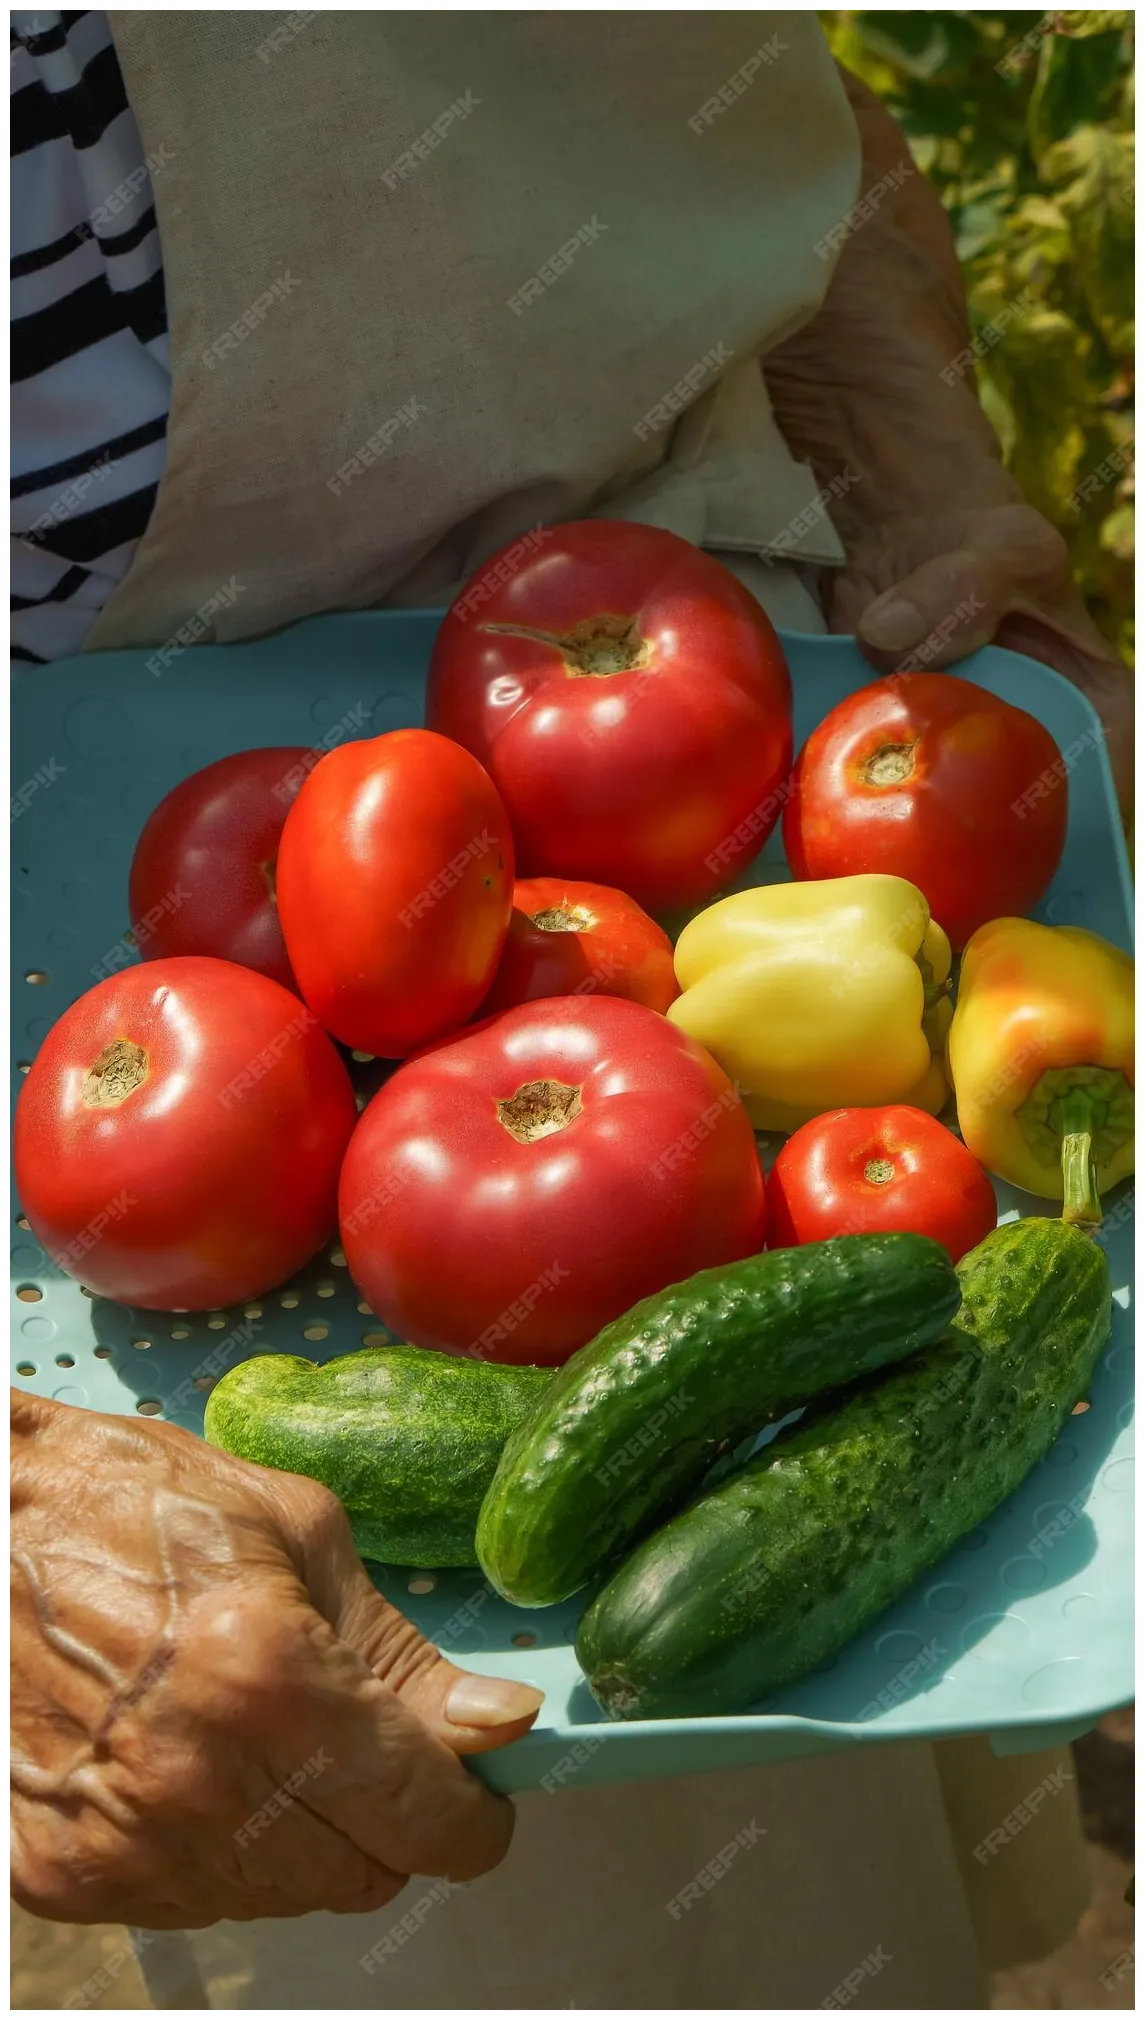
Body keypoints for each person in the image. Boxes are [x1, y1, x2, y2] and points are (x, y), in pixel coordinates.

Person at [11, 9, 1120, 2006]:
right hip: (100, 952)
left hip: (740, 690)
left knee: (877, 1832)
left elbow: (746, 82)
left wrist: (918, 484)